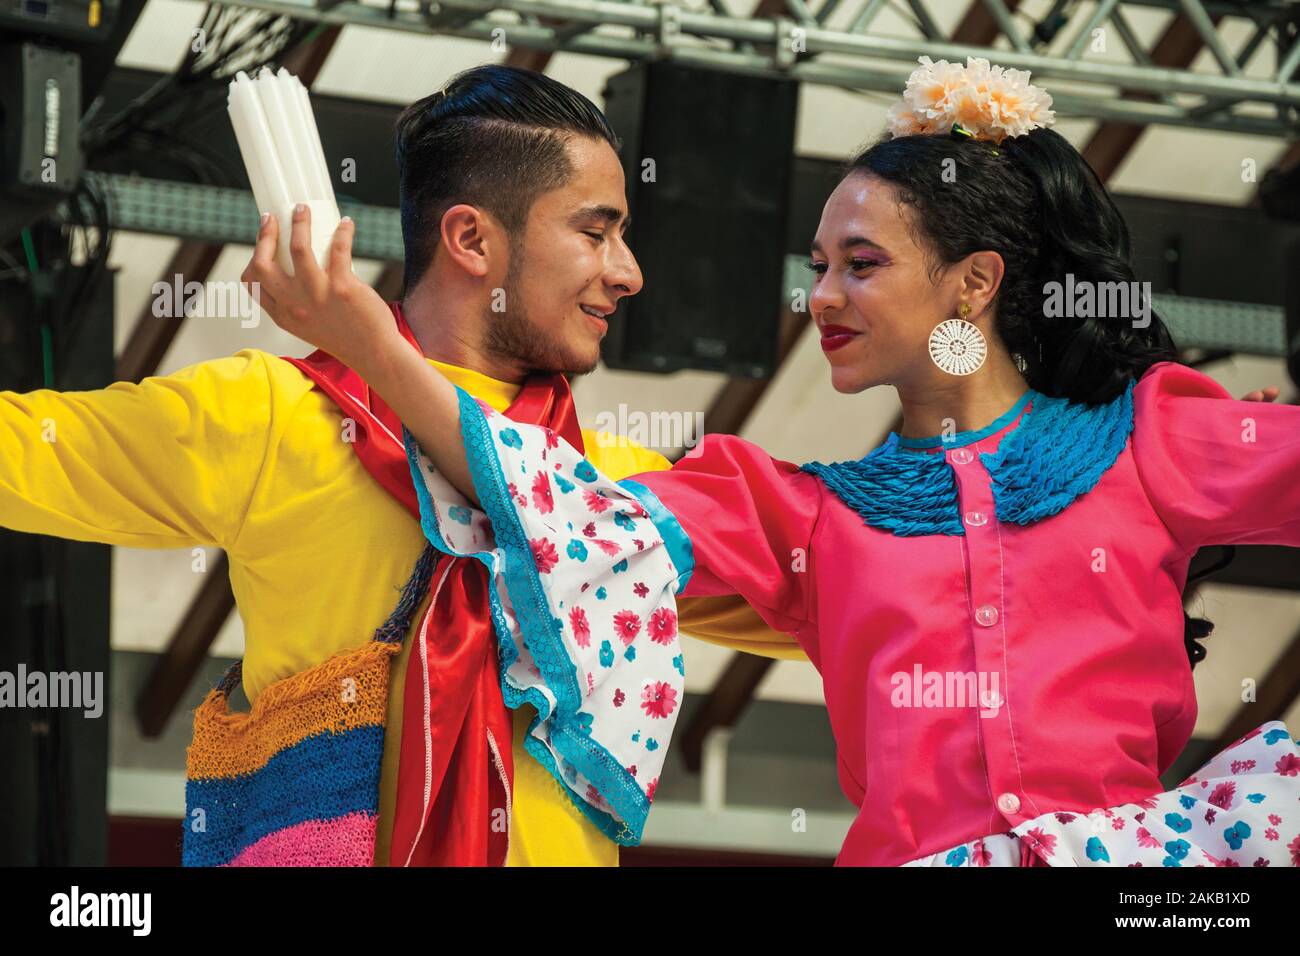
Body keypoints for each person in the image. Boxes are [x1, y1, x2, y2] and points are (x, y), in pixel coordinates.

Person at [247, 55, 1300, 866]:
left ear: (972, 282)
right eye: (818, 266)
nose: (822, 296)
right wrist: (370, 346)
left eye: (861, 264)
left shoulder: (1146, 441)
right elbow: (549, 504)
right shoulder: (794, 514)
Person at [0, 64, 799, 867]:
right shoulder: (272, 414)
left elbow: (841, 598)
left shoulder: (613, 495)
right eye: (596, 232)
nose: (629, 272)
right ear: (471, 239)